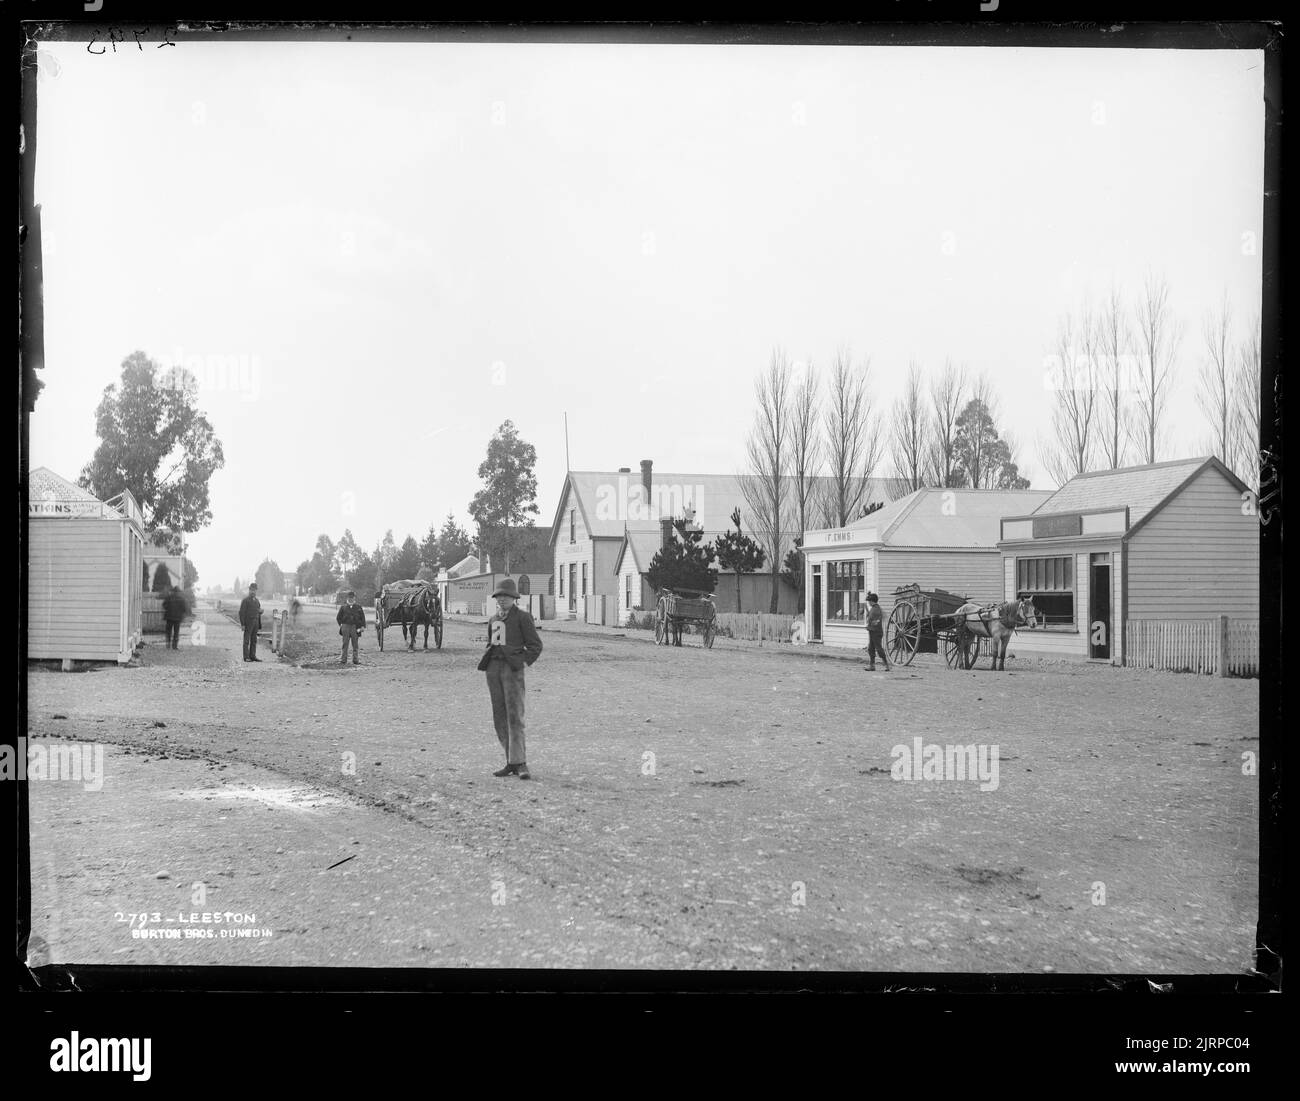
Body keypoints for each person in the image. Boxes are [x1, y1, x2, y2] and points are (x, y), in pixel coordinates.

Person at [476, 578, 542, 779]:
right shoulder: (494, 619)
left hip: (512, 671)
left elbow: (535, 646)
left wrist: (520, 661)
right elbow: (492, 642)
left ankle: (520, 763)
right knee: (500, 717)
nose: (502, 600)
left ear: (514, 598)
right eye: (499, 596)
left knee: (515, 716)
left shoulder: (523, 617)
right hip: (493, 670)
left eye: (506, 596)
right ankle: (510, 761)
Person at [337, 590, 366, 665]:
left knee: (355, 644)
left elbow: (362, 618)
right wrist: (341, 625)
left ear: (354, 598)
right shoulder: (343, 607)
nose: (351, 599)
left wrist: (362, 626)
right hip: (345, 627)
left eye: (352, 597)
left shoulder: (358, 607)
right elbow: (338, 618)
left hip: (355, 627)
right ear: (347, 598)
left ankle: (355, 660)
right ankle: (343, 660)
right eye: (350, 597)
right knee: (345, 644)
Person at [864, 591, 891, 672]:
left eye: (869, 601)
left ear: (872, 601)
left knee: (879, 649)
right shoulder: (875, 608)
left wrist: (869, 625)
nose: (868, 603)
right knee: (871, 648)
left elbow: (876, 621)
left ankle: (886, 665)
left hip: (876, 632)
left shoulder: (876, 610)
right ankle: (872, 666)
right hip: (872, 631)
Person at [239, 583, 262, 662]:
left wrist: (260, 612)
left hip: (255, 623)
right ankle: (246, 657)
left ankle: (252, 656)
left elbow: (257, 610)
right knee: (246, 640)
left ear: (256, 591)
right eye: (252, 590)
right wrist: (242, 624)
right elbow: (241, 613)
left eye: (254, 590)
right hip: (248, 623)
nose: (253, 592)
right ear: (249, 590)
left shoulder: (257, 601)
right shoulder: (245, 600)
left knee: (254, 640)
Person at [163, 584, 188, 650]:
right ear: (178, 592)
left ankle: (168, 645)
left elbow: (164, 605)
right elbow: (184, 609)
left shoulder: (168, 597)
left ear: (173, 591)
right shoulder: (181, 599)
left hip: (169, 617)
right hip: (177, 618)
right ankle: (175, 646)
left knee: (168, 631)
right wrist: (181, 613)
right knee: (176, 632)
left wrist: (168, 609)